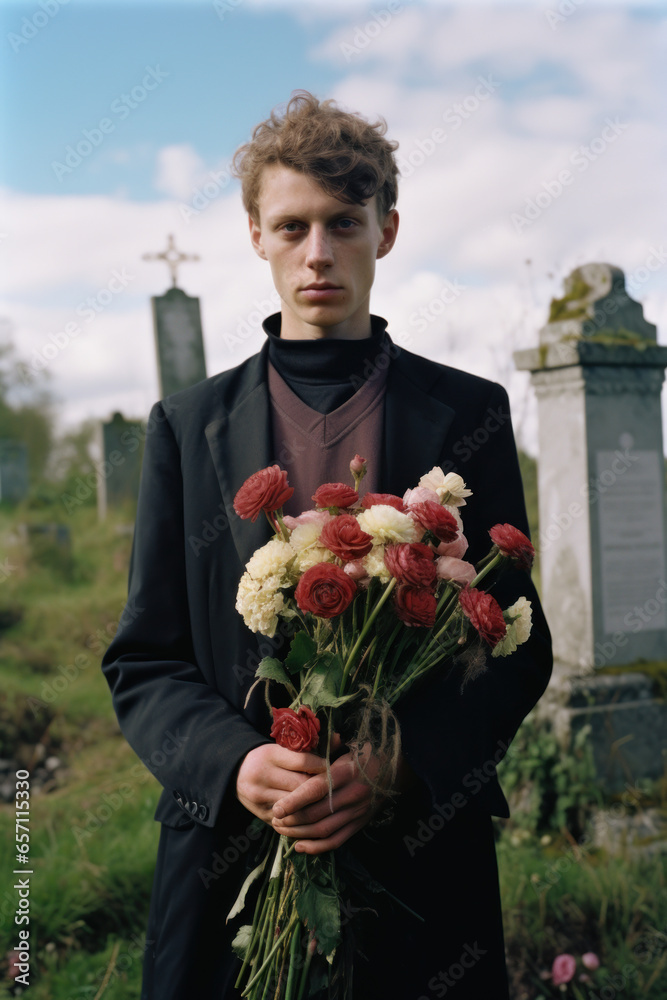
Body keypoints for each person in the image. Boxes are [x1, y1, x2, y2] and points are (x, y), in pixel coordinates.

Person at [102, 90, 553, 999]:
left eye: (343, 223)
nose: (318, 253)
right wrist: (235, 764)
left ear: (385, 231)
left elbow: (518, 641)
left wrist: (397, 761)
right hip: (230, 858)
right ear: (255, 235)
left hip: (419, 853)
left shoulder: (466, 412)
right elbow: (145, 660)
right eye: (292, 225)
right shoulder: (186, 428)